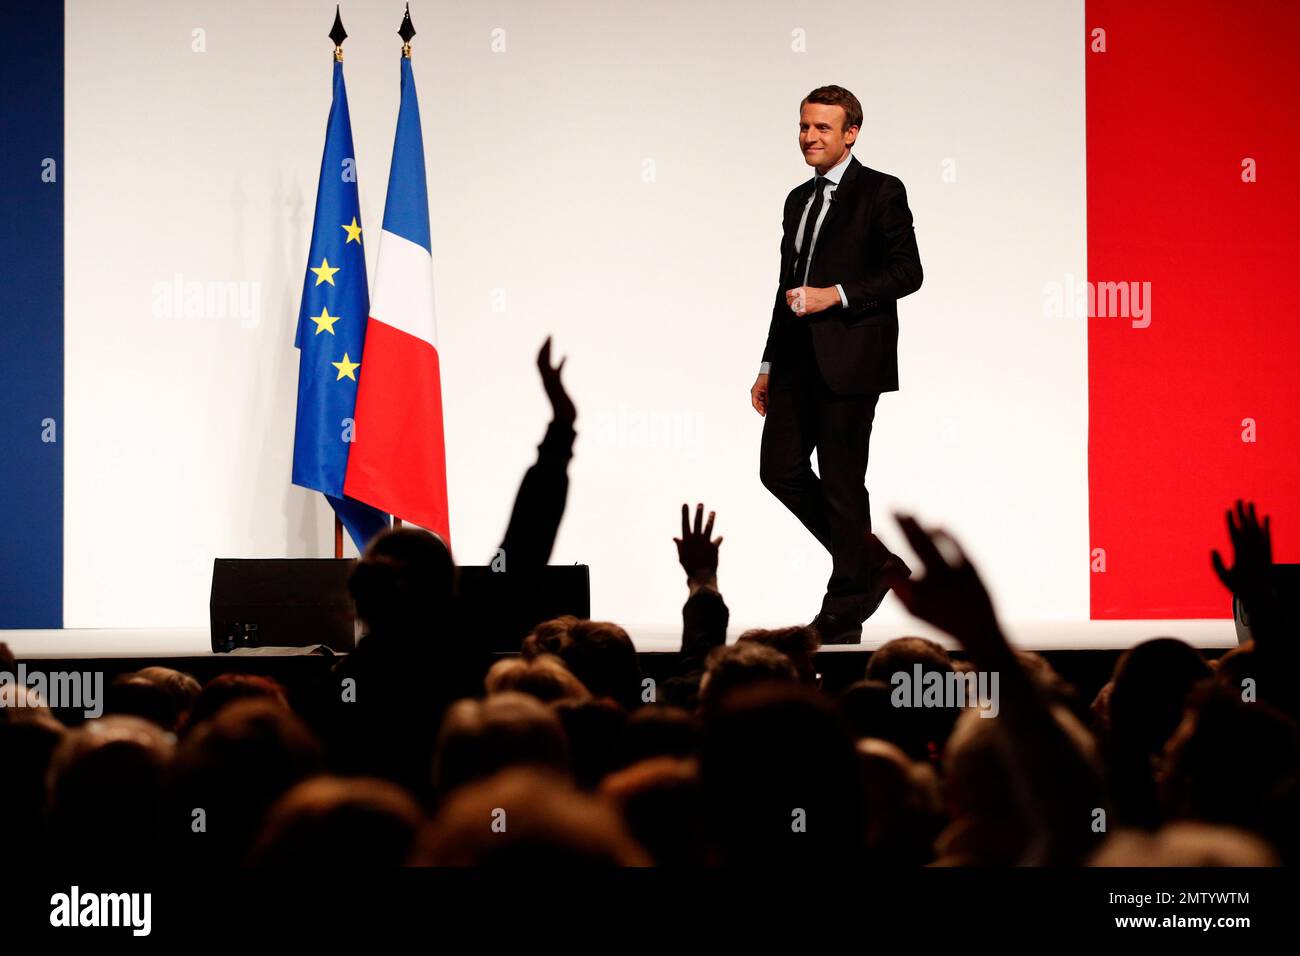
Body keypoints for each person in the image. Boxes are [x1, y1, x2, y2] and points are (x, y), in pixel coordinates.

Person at [752, 85, 923, 644]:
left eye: (822, 128)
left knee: (844, 485)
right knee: (778, 470)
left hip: (851, 361)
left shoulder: (882, 192)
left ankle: (845, 606)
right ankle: (871, 563)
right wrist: (768, 364)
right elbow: (787, 286)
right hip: (797, 360)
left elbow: (907, 273)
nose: (809, 137)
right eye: (804, 126)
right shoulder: (796, 200)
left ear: (851, 134)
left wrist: (838, 294)